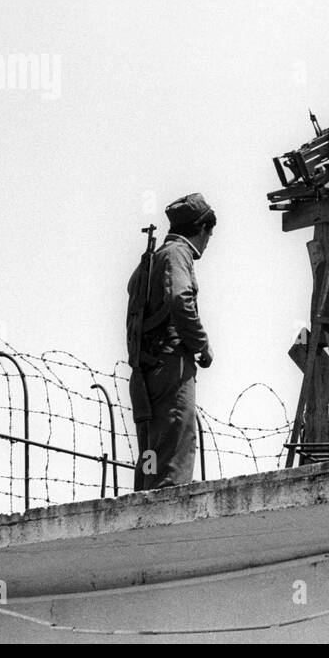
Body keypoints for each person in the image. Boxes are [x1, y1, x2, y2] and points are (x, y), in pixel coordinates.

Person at [127, 193, 216, 491]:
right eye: (209, 233)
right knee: (175, 443)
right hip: (170, 368)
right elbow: (180, 298)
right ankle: (166, 507)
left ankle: (146, 494)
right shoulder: (178, 254)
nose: (208, 241)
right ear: (203, 229)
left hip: (145, 373)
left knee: (151, 448)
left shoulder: (151, 260)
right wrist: (201, 344)